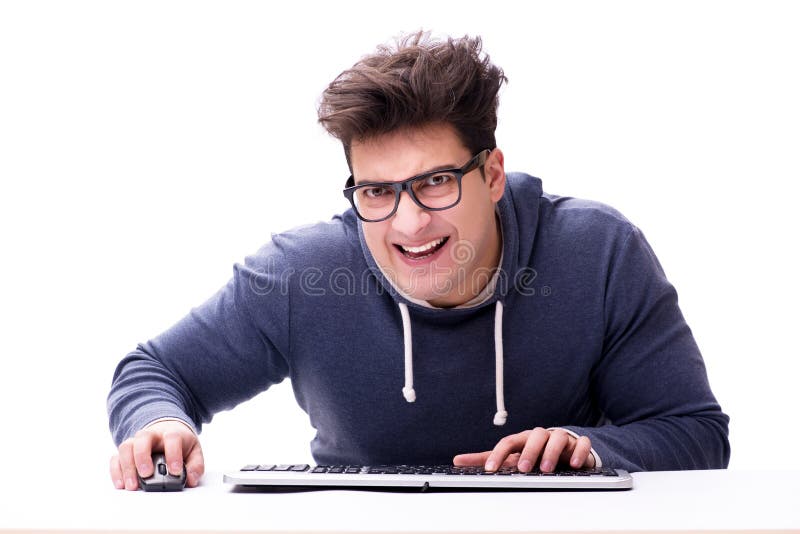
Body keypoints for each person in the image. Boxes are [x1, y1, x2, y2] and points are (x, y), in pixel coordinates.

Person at [108, 32, 730, 490]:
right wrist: (158, 424)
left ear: (491, 174)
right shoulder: (303, 274)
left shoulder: (598, 254)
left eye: (435, 182)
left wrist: (588, 448)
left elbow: (696, 432)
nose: (409, 223)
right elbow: (157, 370)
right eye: (377, 191)